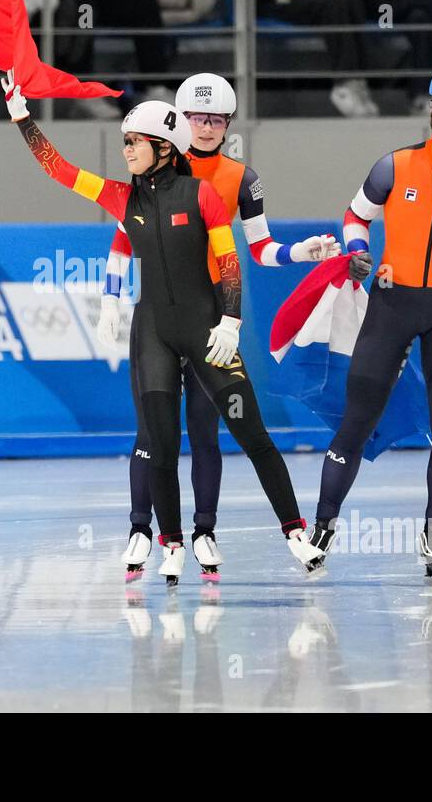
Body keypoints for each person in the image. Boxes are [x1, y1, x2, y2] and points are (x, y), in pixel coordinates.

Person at [0, 69, 324, 584]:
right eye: (125, 141)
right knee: (160, 442)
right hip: (151, 334)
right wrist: (22, 118)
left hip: (207, 332)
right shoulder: (121, 199)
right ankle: (169, 542)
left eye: (134, 143)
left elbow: (232, 263)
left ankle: (295, 532)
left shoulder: (204, 196)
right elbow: (58, 169)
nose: (126, 150)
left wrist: (232, 322)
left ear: (164, 148)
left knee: (251, 433)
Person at [96, 73, 339, 581]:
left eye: (216, 120)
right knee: (153, 436)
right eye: (197, 118)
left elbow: (260, 250)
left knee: (209, 432)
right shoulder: (146, 174)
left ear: (228, 125)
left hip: (212, 320)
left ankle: (204, 530)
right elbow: (124, 241)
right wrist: (112, 299)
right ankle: (143, 529)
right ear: (178, 124)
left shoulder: (240, 179)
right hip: (162, 316)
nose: (206, 128)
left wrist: (303, 253)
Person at [302, 61, 432, 580]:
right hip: (391, 304)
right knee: (356, 421)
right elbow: (356, 218)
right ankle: (322, 527)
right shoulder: (393, 167)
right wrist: (355, 250)